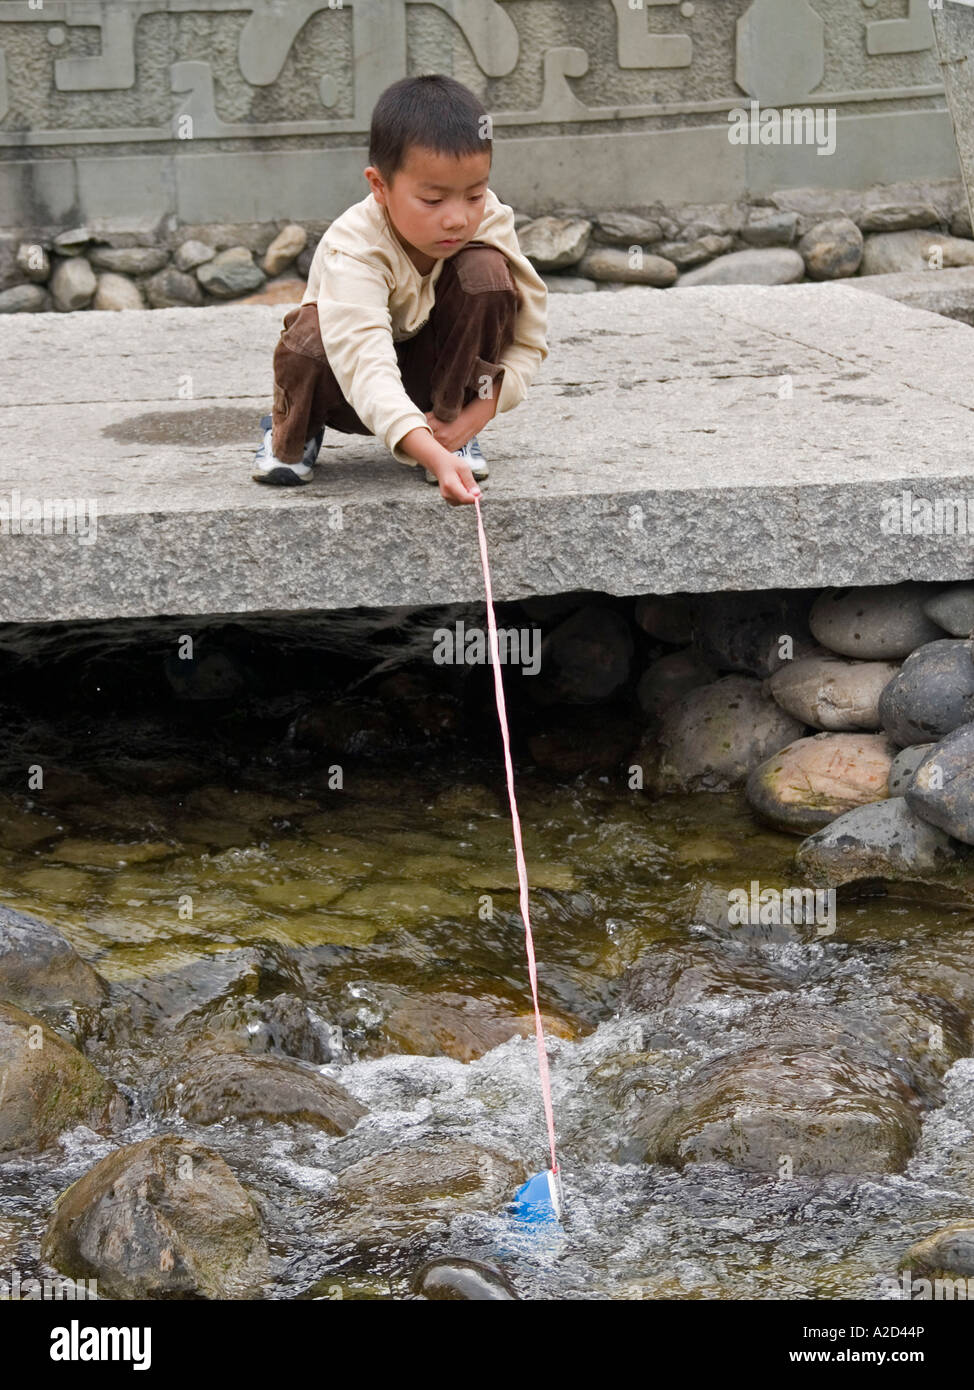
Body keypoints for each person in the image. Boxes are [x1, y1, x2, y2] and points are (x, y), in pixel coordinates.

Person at [253, 73, 549, 507]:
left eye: (474, 194)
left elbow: (526, 343)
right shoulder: (355, 245)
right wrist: (428, 453)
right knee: (311, 338)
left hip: (433, 384)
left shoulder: (490, 221)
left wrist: (470, 419)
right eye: (433, 200)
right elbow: (365, 365)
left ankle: (447, 426)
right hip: (347, 389)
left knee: (487, 275)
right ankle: (295, 426)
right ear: (379, 186)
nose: (457, 219)